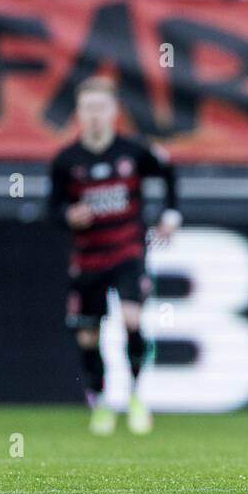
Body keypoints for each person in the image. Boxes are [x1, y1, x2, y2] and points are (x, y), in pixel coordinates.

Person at [48, 77, 181, 435]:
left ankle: (137, 395)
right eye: (88, 108)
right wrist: (68, 216)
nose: (94, 116)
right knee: (88, 336)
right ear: (78, 113)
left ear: (114, 112)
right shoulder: (66, 160)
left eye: (101, 108)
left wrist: (170, 215)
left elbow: (168, 171)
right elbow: (52, 208)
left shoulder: (134, 151)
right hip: (88, 258)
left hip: (128, 251)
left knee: (132, 319)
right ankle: (100, 399)